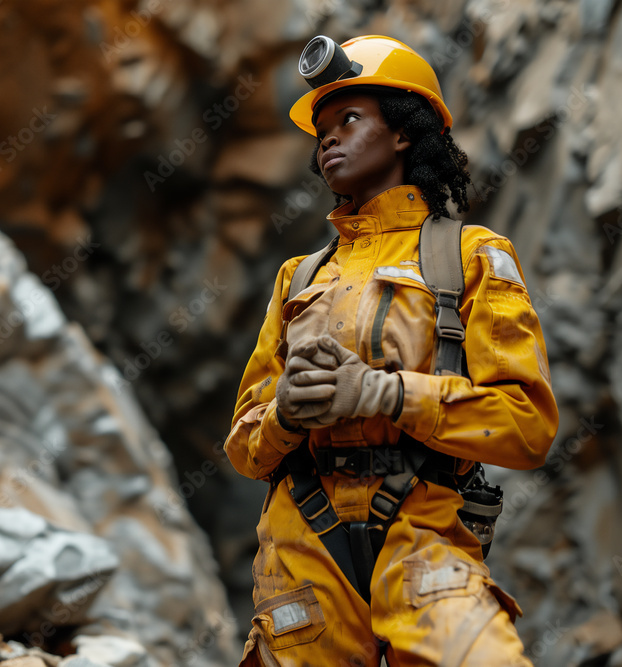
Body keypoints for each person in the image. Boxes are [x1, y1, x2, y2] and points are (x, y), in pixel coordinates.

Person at [224, 34, 558, 667]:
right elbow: (243, 448)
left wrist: (387, 393)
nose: (327, 139)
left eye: (349, 119)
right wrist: (285, 415)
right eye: (320, 128)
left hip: (425, 538)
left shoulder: (469, 257)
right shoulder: (299, 277)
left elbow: (527, 425)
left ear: (405, 132)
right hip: (302, 559)